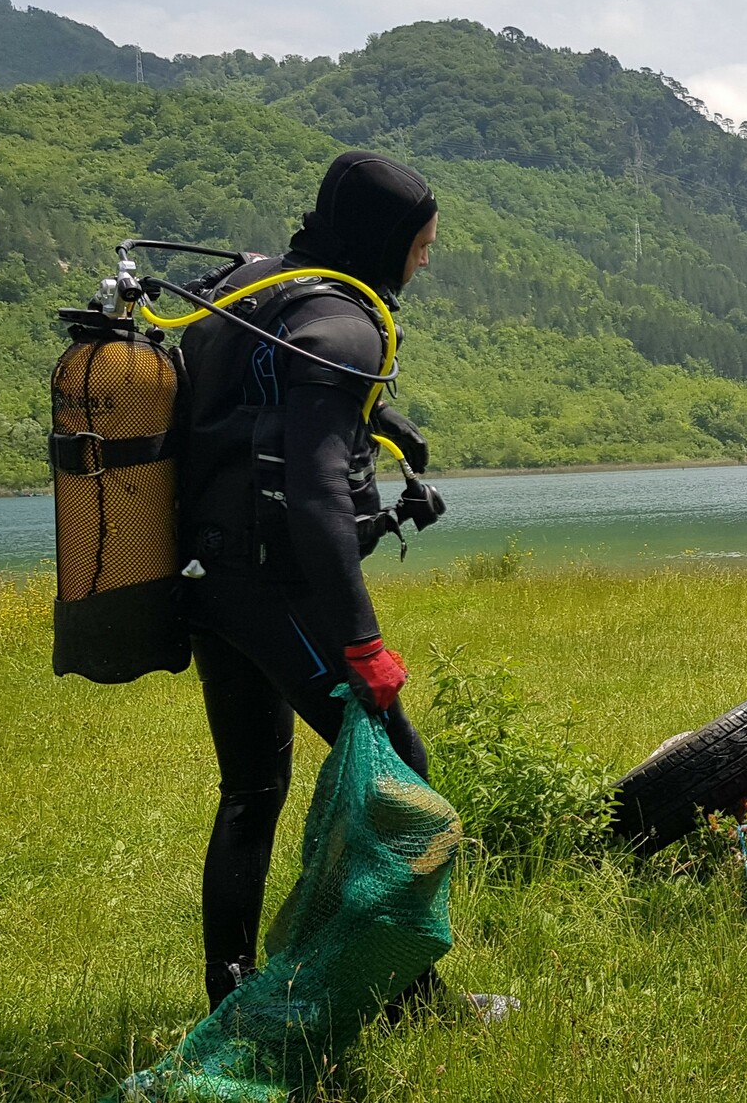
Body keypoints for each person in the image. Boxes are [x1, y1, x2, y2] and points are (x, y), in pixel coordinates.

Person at [177, 150, 449, 1013]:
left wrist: (386, 421)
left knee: (252, 789)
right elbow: (317, 494)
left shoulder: (262, 288)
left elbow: (254, 409)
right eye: (420, 242)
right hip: (275, 589)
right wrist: (364, 645)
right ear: (384, 238)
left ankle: (230, 993)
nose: (425, 258)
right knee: (401, 782)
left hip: (207, 580)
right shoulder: (345, 324)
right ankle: (408, 990)